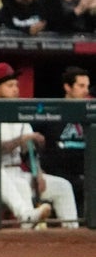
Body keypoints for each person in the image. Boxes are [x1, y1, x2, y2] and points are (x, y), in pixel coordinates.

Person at [0, 62, 78, 228]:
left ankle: (73, 234)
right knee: (15, 182)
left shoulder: (18, 113)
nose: (16, 89)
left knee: (63, 186)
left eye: (16, 85)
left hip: (16, 171)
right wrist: (21, 140)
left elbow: (28, 152)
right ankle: (26, 220)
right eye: (10, 85)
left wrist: (38, 172)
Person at [34, 66, 89, 218]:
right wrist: (39, 168)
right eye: (81, 86)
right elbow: (32, 138)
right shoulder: (52, 110)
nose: (86, 90)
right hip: (57, 175)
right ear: (67, 87)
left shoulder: (89, 113)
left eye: (87, 86)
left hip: (83, 175)